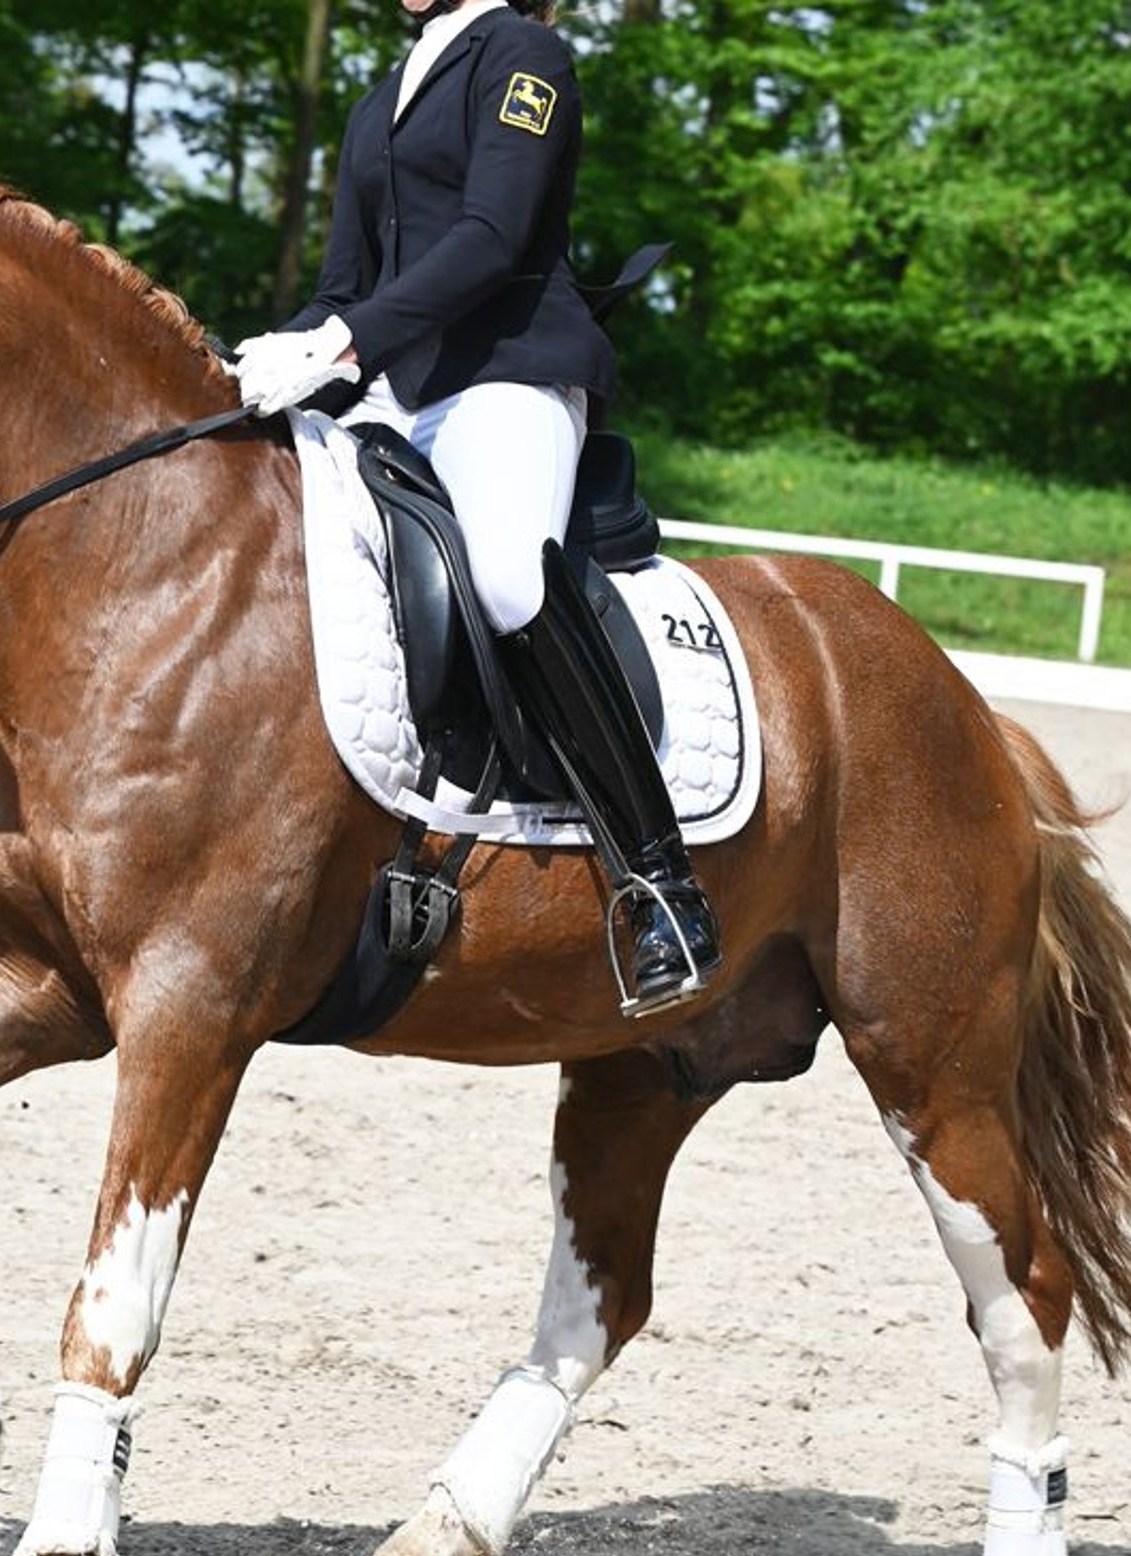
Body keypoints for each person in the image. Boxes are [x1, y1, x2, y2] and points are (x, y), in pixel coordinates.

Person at [233, 0, 721, 1016]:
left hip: (508, 373)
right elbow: (342, 284)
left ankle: (660, 883)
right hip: (393, 386)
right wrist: (254, 360)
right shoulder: (381, 100)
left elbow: (493, 238)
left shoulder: (526, 56)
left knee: (503, 570)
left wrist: (342, 344)